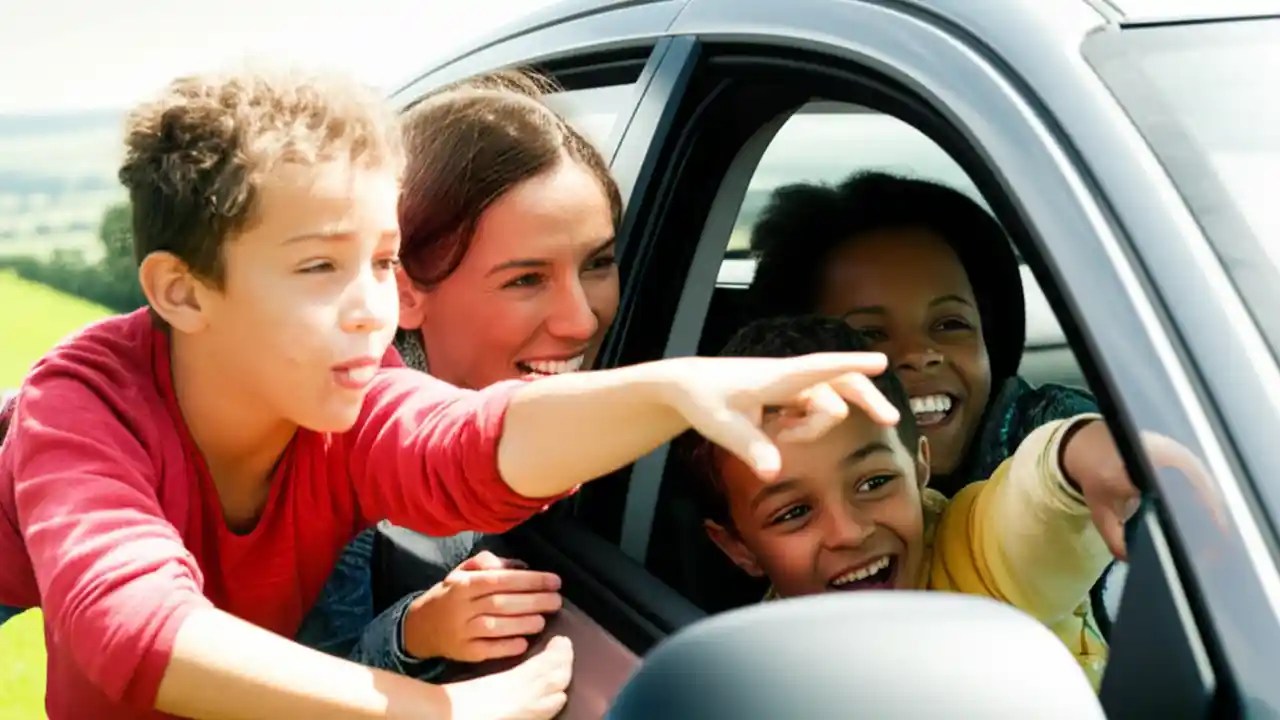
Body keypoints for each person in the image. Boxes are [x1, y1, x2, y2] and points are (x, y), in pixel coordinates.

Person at [0, 66, 898, 720]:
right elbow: (129, 626)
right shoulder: (81, 407)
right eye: (320, 267)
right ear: (182, 292)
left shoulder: (353, 399)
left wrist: (675, 389)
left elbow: (470, 446)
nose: (371, 311)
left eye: (383, 262)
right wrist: (440, 715)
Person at [300, 69, 625, 679]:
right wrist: (416, 630)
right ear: (406, 293)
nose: (582, 321)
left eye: (600, 263)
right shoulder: (336, 466)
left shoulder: (670, 423)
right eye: (526, 279)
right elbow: (305, 689)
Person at [684, 315, 1140, 691]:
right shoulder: (758, 669)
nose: (850, 531)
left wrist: (1078, 455)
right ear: (738, 547)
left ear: (920, 468)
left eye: (875, 482)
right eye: (794, 513)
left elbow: (1030, 508)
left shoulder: (969, 560)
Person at [746, 170, 1098, 498]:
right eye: (869, 334)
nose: (919, 354)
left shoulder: (1039, 433)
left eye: (950, 324)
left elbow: (1073, 446)